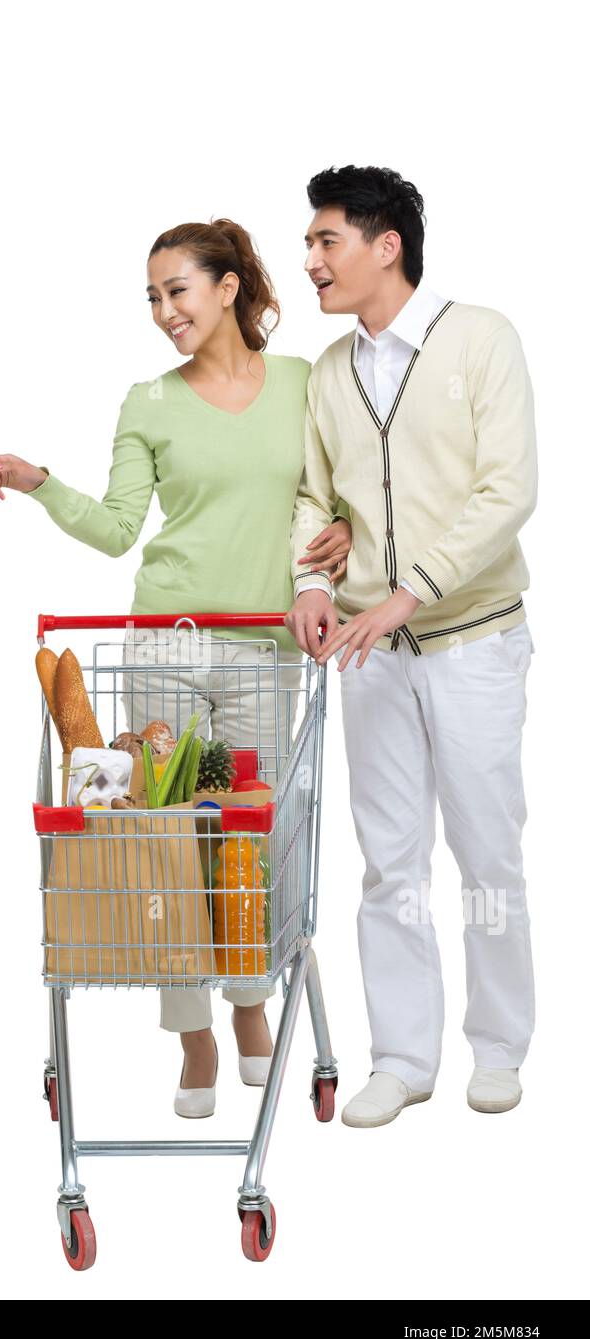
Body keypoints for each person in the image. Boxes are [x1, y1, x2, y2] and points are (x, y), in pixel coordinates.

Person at [0, 218, 352, 1117]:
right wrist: (39, 481)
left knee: (248, 834)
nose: (163, 310)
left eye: (177, 289)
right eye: (151, 296)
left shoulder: (301, 384)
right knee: (169, 840)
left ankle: (252, 1004)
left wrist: (339, 546)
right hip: (164, 644)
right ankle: (194, 1033)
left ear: (228, 288)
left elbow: (324, 495)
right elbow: (114, 529)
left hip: (264, 644)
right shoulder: (147, 402)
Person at [285, 165, 537, 1127]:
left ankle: (500, 1045)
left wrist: (407, 594)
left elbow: (506, 491)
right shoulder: (330, 373)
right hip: (367, 653)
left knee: (486, 854)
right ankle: (400, 1053)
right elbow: (317, 493)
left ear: (386, 245)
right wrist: (313, 585)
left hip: (472, 641)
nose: (310, 260)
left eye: (325, 241)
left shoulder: (481, 340)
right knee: (389, 860)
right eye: (309, 244)